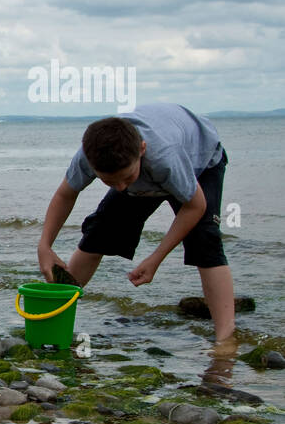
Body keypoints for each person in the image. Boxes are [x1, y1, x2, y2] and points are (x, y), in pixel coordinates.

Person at [37, 104, 234, 343]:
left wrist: (155, 258)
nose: (121, 188)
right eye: (109, 181)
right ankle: (55, 316)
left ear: (142, 149)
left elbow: (195, 206)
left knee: (205, 241)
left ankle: (226, 339)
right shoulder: (92, 156)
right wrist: (45, 245)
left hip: (200, 161)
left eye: (127, 178)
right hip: (147, 167)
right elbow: (65, 194)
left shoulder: (166, 157)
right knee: (101, 230)